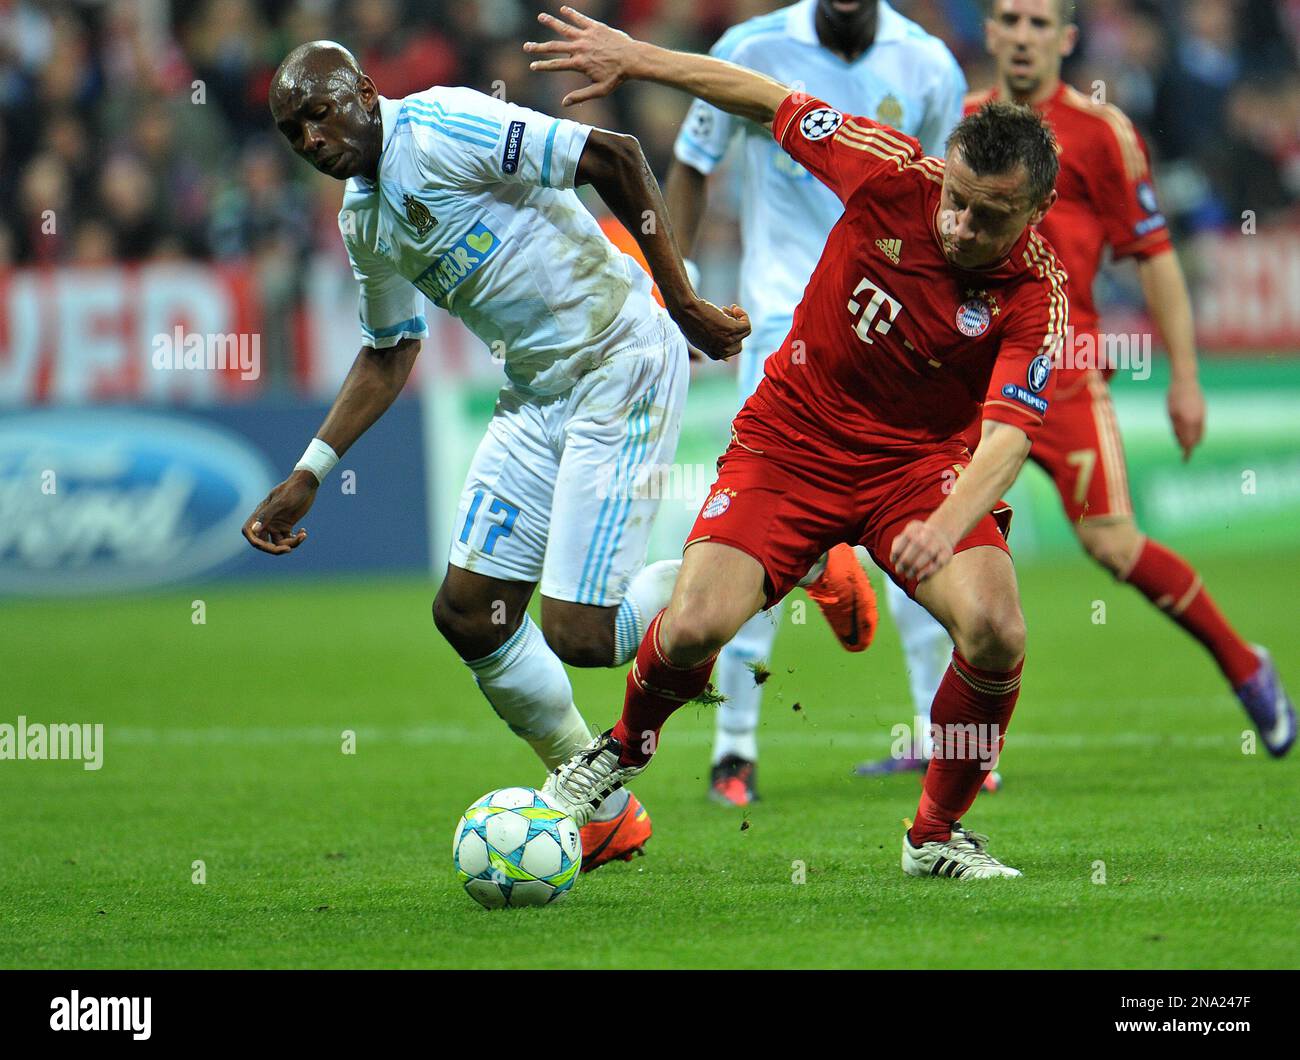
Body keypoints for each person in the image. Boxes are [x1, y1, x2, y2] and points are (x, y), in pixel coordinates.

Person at [525, 7, 1069, 878]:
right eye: (956, 201)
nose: (961, 226)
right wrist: (637, 58)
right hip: (794, 439)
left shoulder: (1039, 296)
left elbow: (1007, 439)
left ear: (1038, 208)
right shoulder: (891, 170)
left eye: (990, 217)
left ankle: (934, 837)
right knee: (697, 623)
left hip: (919, 471)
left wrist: (951, 518)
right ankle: (619, 752)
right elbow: (762, 95)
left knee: (998, 631)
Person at [241, 40, 751, 870]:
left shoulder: (445, 123)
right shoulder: (362, 218)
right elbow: (389, 349)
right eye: (293, 130)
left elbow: (612, 156)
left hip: (618, 356)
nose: (310, 138)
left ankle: (763, 564)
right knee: (469, 610)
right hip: (536, 393)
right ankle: (606, 811)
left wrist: (681, 297)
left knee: (582, 634)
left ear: (366, 92)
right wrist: (309, 473)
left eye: (320, 112)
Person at [854, 0, 1295, 776]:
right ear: (989, 34)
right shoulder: (955, 128)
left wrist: (1185, 378)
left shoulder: (1103, 133)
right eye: (1009, 20)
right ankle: (953, 745)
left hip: (1061, 376)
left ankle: (1243, 663)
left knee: (1111, 544)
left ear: (1065, 38)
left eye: (1039, 23)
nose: (1022, 36)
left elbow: (1153, 254)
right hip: (964, 378)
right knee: (942, 542)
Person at [664, 0, 975, 806]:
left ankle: (940, 737)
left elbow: (957, 201)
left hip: (899, 330)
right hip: (785, 325)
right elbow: (693, 165)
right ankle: (734, 751)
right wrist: (671, 291)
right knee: (756, 549)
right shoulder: (750, 47)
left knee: (922, 535)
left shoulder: (930, 65)